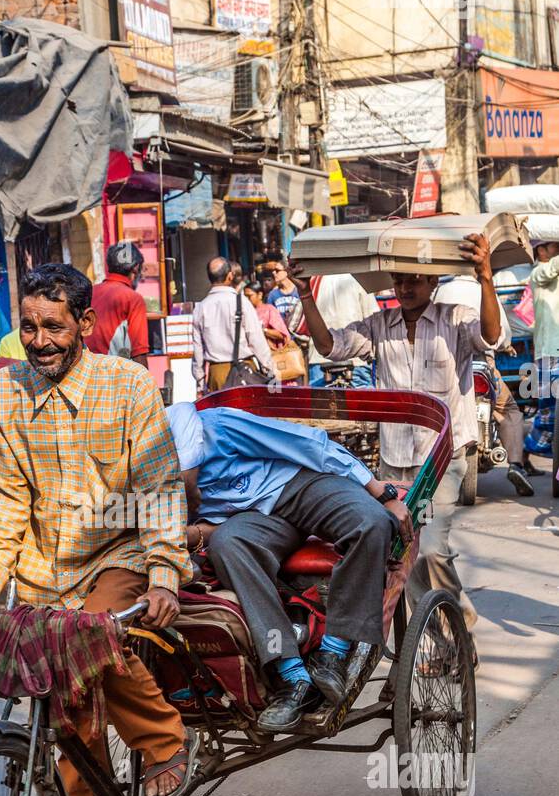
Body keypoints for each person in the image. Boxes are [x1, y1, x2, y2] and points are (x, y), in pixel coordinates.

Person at [0, 262, 194, 796]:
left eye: (54, 326)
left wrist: (167, 570)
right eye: (29, 327)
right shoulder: (4, 395)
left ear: (86, 324)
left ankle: (163, 738)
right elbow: (2, 499)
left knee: (85, 636)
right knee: (70, 721)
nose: (39, 341)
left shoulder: (126, 387)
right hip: (41, 567)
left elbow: (158, 488)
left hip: (118, 553)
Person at [291, 232, 502, 655]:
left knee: (431, 552)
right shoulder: (378, 326)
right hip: (395, 459)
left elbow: (491, 337)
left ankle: (455, 633)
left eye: (414, 281)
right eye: (399, 281)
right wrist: (305, 298)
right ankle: (436, 635)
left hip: (443, 458)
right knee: (399, 555)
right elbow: (330, 347)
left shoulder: (455, 318)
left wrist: (485, 276)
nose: (405, 288)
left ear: (432, 283)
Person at [167, 402, 412, 733]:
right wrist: (193, 533)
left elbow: (309, 443)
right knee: (227, 544)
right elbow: (207, 527)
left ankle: (335, 652)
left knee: (371, 523)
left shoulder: (219, 426)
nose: (189, 493)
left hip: (297, 486)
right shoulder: (152, 468)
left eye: (190, 482)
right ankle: (292, 675)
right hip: (252, 520)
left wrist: (383, 495)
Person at [434, 272, 533, 496]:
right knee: (509, 411)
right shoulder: (484, 291)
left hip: (446, 368)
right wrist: (505, 344)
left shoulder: (439, 291)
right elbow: (501, 333)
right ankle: (516, 464)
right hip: (482, 363)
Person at [192, 256, 275, 394]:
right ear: (230, 276)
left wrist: (200, 383)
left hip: (217, 375)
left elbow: (197, 351)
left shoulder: (201, 308)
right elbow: (256, 340)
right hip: (245, 372)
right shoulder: (241, 302)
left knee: (220, 415)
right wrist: (270, 370)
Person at [311, 273, 378, 389]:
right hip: (356, 359)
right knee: (362, 404)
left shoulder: (314, 281)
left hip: (320, 358)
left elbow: (296, 323)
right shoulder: (359, 279)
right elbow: (373, 317)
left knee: (319, 403)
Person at [86, 240, 149, 363]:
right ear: (135, 268)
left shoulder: (89, 292)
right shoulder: (133, 299)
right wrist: (146, 382)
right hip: (112, 376)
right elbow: (139, 353)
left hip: (84, 373)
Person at [528, 240, 559, 407]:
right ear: (541, 251)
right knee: (550, 411)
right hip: (551, 350)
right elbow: (552, 269)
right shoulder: (538, 272)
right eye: (555, 244)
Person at [264, 260, 301, 325]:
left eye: (277, 270)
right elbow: (270, 318)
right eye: (273, 271)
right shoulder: (272, 295)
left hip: (299, 334)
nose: (274, 273)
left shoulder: (299, 291)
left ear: (286, 271)